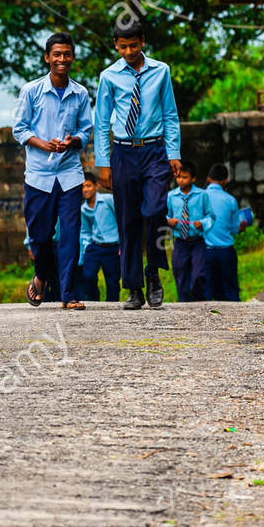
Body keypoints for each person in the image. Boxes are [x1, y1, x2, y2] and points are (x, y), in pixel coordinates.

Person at [94, 19, 181, 310]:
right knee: (128, 220)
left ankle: (153, 271)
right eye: (123, 47)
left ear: (143, 42)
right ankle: (133, 287)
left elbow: (170, 115)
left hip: (155, 151)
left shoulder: (161, 71)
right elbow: (102, 121)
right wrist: (103, 163)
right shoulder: (109, 76)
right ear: (116, 45)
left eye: (133, 45)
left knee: (155, 209)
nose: (129, 51)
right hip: (123, 153)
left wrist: (174, 153)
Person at [12, 32, 93, 311]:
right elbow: (19, 129)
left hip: (70, 175)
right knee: (39, 236)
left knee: (71, 234)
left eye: (66, 54)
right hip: (38, 175)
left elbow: (86, 129)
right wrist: (44, 144)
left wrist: (74, 142)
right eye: (56, 54)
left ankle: (68, 294)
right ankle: (42, 275)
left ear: (73, 57)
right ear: (47, 57)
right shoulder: (32, 91)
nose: (62, 59)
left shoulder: (80, 93)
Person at [166, 159, 213, 302]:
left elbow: (211, 216)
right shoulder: (171, 196)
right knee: (180, 275)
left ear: (193, 178)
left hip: (197, 242)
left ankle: (199, 302)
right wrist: (169, 221)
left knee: (198, 275)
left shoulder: (202, 195)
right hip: (180, 242)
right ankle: (183, 305)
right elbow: (165, 214)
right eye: (178, 177)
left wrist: (203, 223)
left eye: (185, 177)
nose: (180, 180)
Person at [203, 163, 245, 302]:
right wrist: (241, 226)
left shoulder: (199, 197)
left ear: (208, 178)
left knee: (206, 293)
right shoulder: (230, 200)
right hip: (226, 252)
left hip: (204, 252)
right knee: (230, 292)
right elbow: (233, 229)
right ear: (225, 180)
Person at [78, 171, 121, 302]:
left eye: (88, 185)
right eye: (82, 187)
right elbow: (85, 230)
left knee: (113, 281)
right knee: (88, 276)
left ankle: (112, 309)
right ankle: (93, 303)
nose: (85, 189)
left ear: (96, 186)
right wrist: (86, 247)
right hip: (95, 247)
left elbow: (120, 219)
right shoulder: (83, 209)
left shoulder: (108, 200)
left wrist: (122, 244)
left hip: (113, 248)